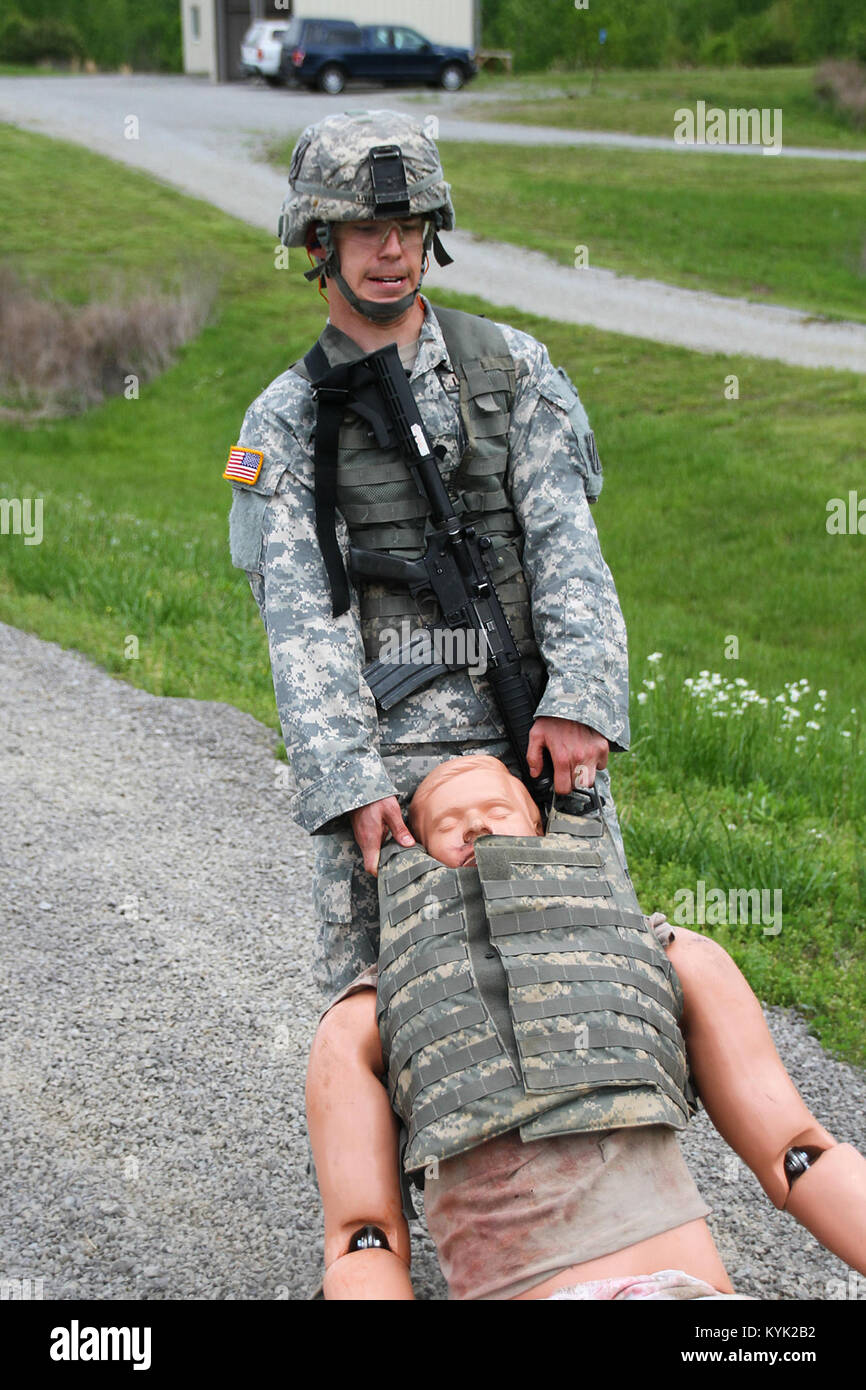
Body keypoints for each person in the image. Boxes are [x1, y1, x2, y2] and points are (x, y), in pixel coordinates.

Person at [224, 109, 629, 996]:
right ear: (319, 242)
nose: (392, 251)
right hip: (382, 756)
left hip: (533, 730)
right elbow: (304, 621)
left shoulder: (512, 371)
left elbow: (568, 549)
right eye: (368, 229)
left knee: (601, 981)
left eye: (408, 227)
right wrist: (347, 782)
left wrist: (583, 703)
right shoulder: (289, 420)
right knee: (378, 1014)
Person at [307, 755, 866, 1300]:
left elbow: (798, 1152)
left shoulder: (672, 957)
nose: (475, 827)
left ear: (540, 823)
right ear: (420, 853)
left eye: (497, 811)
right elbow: (362, 1238)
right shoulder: (366, 1016)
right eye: (447, 825)